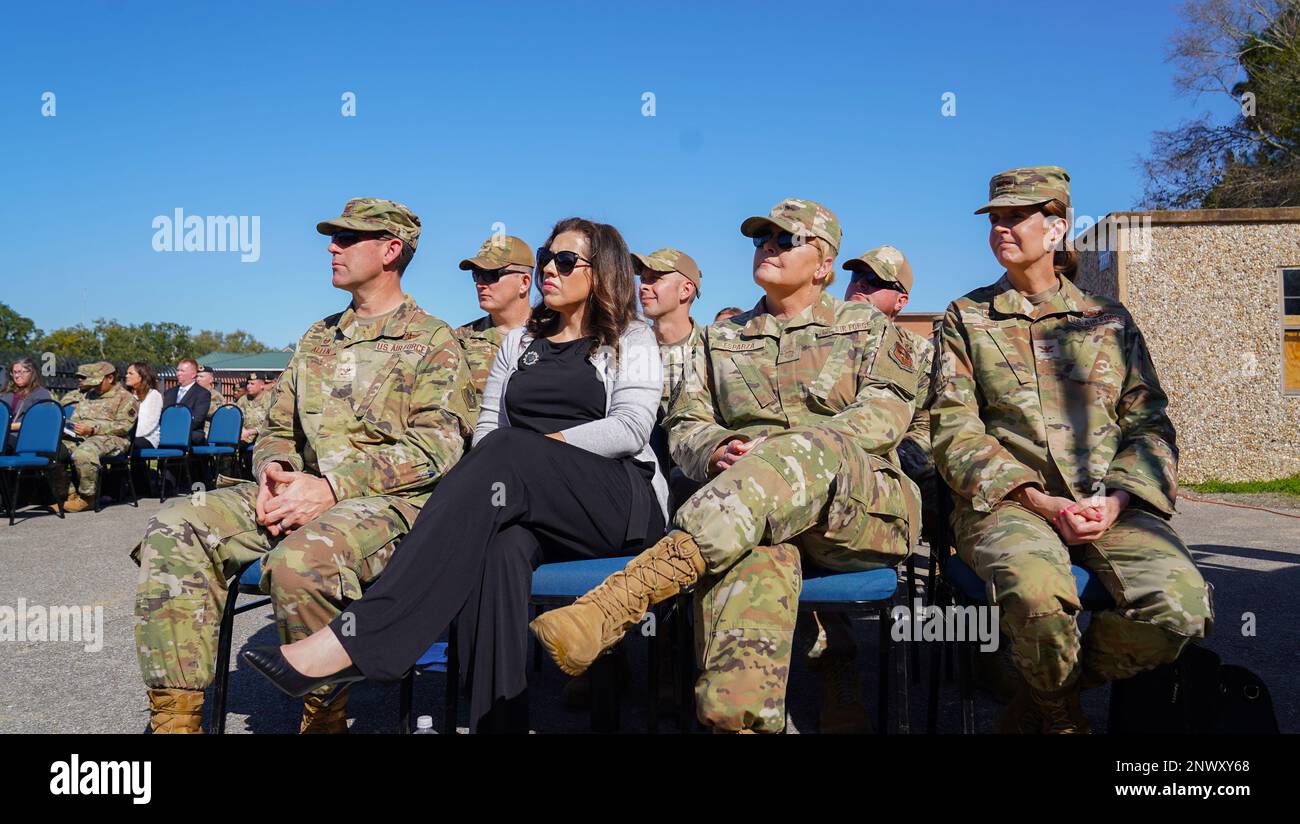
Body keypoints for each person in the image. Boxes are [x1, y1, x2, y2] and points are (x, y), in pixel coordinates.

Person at [241, 216, 667, 734]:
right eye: (544, 258)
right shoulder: (521, 342)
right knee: (502, 550)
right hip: (525, 499)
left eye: (564, 261)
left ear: (602, 272)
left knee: (509, 449)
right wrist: (522, 459)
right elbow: (486, 430)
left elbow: (629, 429)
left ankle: (362, 637)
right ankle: (497, 724)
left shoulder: (632, 338)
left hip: (616, 502)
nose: (548, 271)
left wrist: (537, 452)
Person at [531, 198, 922, 733]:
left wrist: (777, 454)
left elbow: (882, 419)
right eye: (762, 239)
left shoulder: (869, 327)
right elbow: (685, 424)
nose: (768, 247)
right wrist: (717, 448)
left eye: (787, 239)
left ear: (825, 263)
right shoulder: (720, 338)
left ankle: (620, 601)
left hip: (858, 511)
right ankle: (740, 720)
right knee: (747, 591)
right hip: (745, 521)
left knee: (798, 453)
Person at [133, 197, 476, 734]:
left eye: (347, 238)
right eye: (333, 238)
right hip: (297, 491)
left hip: (384, 506)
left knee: (302, 560)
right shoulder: (318, 337)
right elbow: (277, 426)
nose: (332, 247)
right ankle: (176, 720)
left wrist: (332, 488)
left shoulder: (433, 341)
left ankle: (323, 716)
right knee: (175, 527)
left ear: (391, 250)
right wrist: (274, 471)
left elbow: (437, 448)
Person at [930, 165, 1213, 733]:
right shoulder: (968, 317)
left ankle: (1042, 697)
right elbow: (953, 428)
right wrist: (1038, 500)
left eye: (1017, 217)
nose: (1001, 228)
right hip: (1010, 505)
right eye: (995, 218)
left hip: (1107, 504)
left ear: (1057, 227)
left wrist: (1116, 500)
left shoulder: (1108, 320)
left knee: (1182, 609)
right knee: (1037, 597)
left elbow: (1150, 423)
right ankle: (1062, 719)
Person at [454, 234, 534, 403]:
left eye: (490, 274)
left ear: (524, 282)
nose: (480, 284)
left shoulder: (556, 336)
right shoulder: (458, 341)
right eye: (477, 274)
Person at [60, 362, 139, 512]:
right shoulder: (88, 396)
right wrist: (68, 429)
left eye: (97, 383)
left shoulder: (126, 398)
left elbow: (123, 427)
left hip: (113, 438)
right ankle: (68, 494)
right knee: (53, 450)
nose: (95, 387)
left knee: (84, 453)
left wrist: (93, 430)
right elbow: (75, 419)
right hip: (83, 436)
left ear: (110, 378)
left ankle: (88, 498)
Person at [125, 361, 163, 494]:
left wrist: (127, 436)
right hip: (127, 435)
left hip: (147, 438)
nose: (126, 376)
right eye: (126, 373)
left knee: (124, 445)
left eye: (130, 373)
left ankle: (119, 489)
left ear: (141, 376)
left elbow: (148, 425)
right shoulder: (124, 396)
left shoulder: (154, 396)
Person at [1, 356, 54, 451]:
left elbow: (38, 422)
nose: (17, 376)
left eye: (21, 372)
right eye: (14, 372)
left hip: (23, 437)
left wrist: (7, 426)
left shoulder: (41, 394)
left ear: (31, 373)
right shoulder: (7, 394)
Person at [162, 358, 210, 446]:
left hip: (190, 434)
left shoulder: (202, 394)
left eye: (182, 371)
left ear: (193, 374)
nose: (178, 373)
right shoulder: (169, 393)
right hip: (167, 432)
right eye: (178, 370)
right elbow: (164, 415)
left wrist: (174, 429)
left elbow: (197, 420)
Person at [236, 372, 271, 444]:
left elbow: (272, 423)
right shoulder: (243, 400)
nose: (248, 386)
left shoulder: (271, 399)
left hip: (263, 438)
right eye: (248, 384)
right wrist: (241, 430)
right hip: (243, 437)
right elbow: (236, 417)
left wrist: (253, 431)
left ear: (262, 385)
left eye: (252, 384)